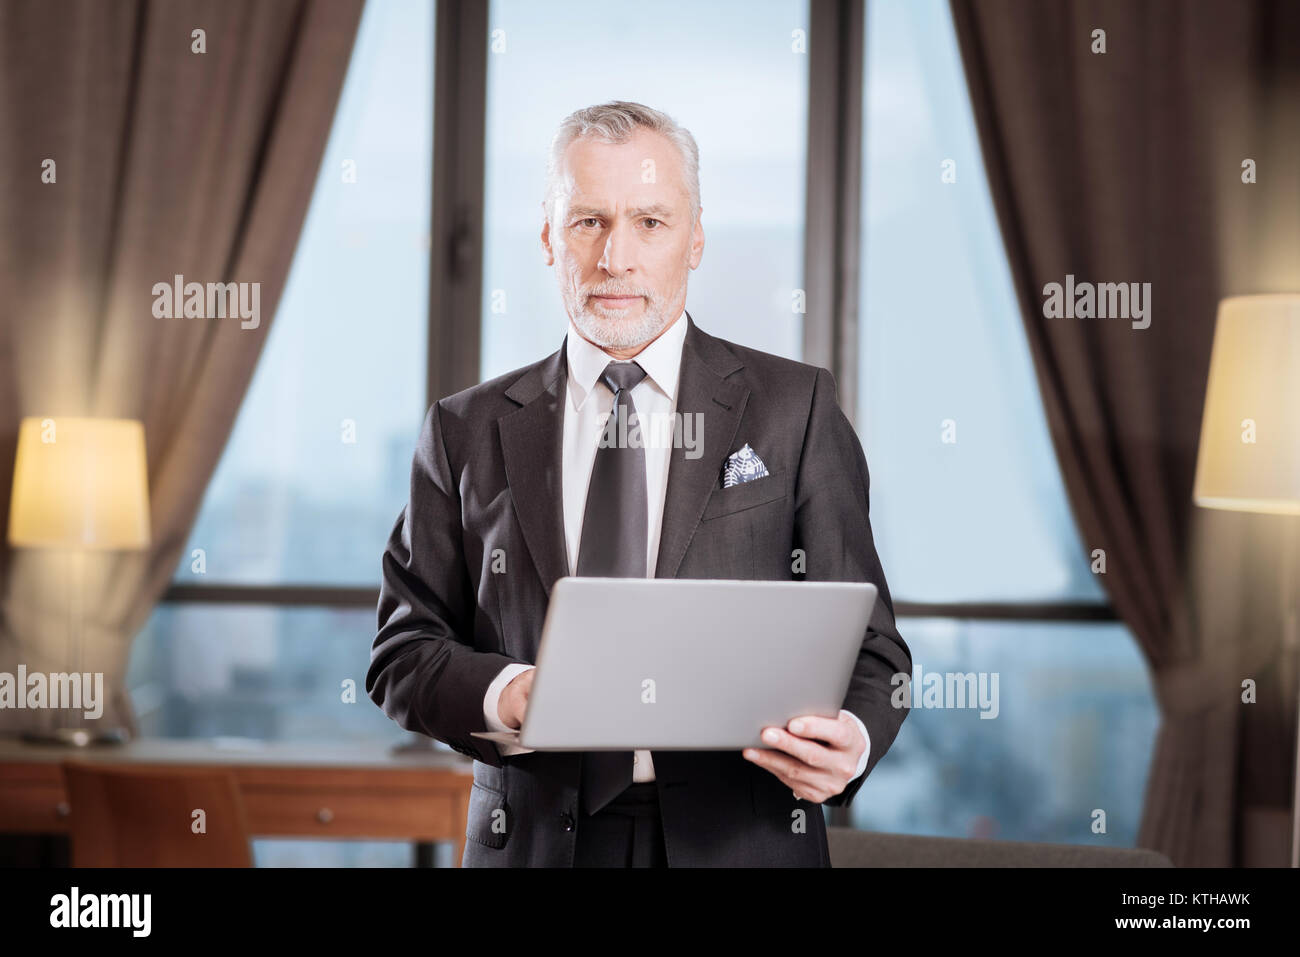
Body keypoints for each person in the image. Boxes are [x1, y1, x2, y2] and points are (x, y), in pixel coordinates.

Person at [367, 100, 911, 867]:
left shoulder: (796, 408)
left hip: (741, 842)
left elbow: (877, 652)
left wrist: (851, 740)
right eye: (589, 221)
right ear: (551, 237)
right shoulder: (465, 430)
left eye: (650, 222)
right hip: (533, 845)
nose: (616, 257)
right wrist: (512, 695)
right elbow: (402, 650)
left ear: (694, 239)